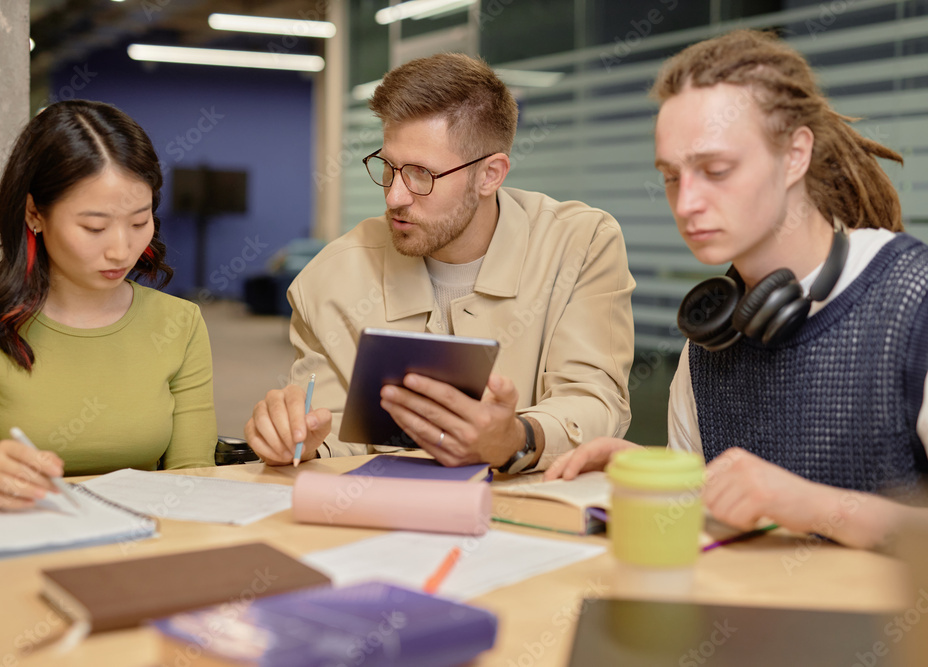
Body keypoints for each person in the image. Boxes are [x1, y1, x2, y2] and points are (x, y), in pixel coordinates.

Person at [545, 30, 928, 550]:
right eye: (672, 176)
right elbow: (717, 524)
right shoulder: (709, 342)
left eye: (716, 170)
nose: (686, 203)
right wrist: (661, 476)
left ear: (795, 155)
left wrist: (811, 505)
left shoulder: (912, 299)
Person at [246, 53, 635, 472]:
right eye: (388, 167)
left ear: (490, 174)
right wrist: (299, 442)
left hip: (533, 502)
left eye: (421, 174)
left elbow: (595, 401)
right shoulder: (328, 278)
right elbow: (333, 433)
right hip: (383, 506)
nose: (394, 196)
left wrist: (517, 439)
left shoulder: (581, 243)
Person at [0, 100, 217, 508]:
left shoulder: (179, 323)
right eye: (94, 227)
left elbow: (193, 476)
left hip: (148, 535)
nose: (121, 250)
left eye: (139, 222)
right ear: (34, 213)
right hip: (18, 534)